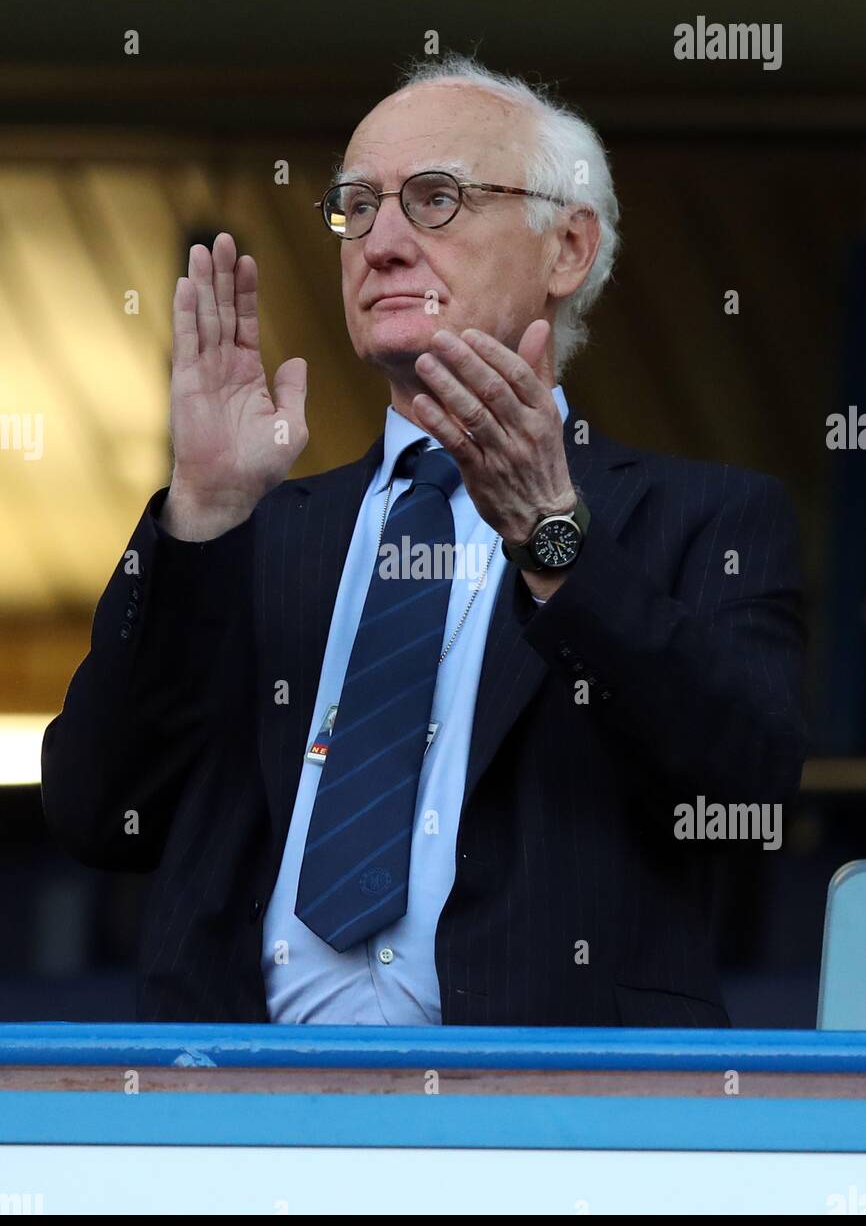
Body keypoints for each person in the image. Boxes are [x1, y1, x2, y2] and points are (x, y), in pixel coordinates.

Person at [41, 55, 808, 1027]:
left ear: (567, 247)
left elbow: (748, 792)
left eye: (435, 199)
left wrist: (553, 542)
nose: (382, 242)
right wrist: (199, 513)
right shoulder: (254, 526)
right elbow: (98, 812)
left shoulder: (699, 518)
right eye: (356, 207)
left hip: (551, 1128)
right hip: (236, 1124)